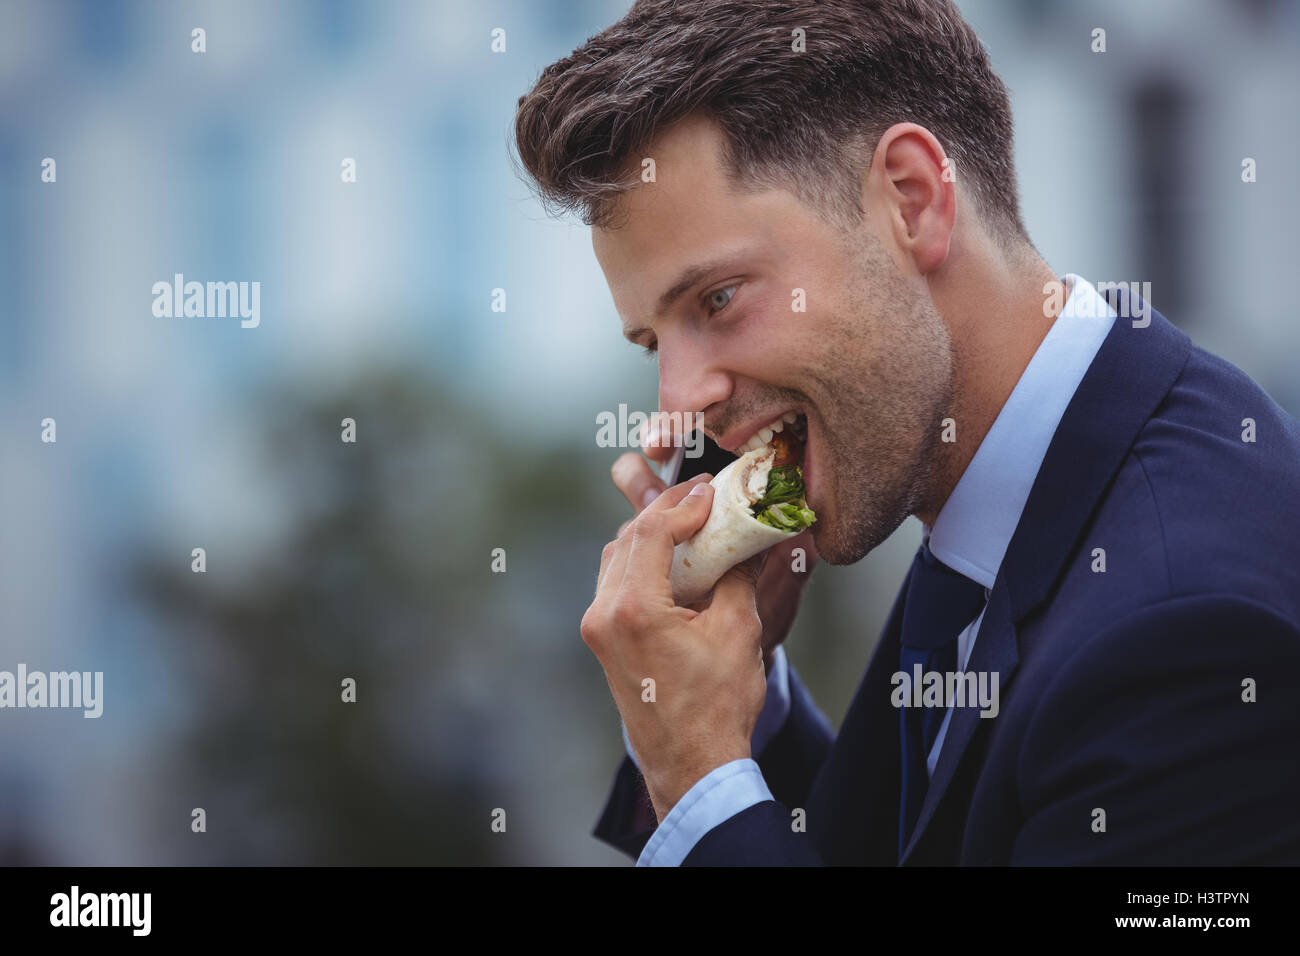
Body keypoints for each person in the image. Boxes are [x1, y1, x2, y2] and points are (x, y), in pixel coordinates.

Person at [512, 0, 1300, 864]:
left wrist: (701, 786)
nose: (677, 405)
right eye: (653, 342)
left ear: (912, 201)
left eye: (719, 299)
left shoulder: (1182, 641)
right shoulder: (988, 495)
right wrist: (737, 709)